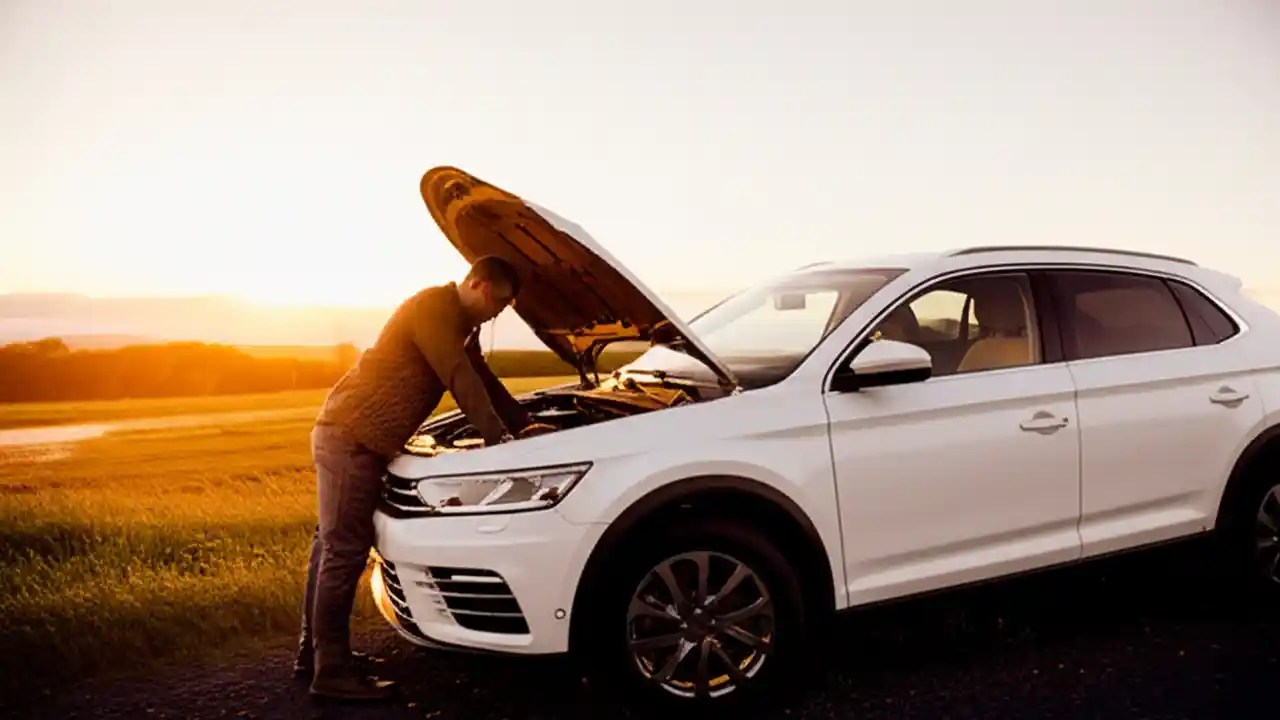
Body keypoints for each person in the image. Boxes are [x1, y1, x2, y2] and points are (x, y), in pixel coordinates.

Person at [294, 255, 552, 700]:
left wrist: (523, 425)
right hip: (350, 438)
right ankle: (330, 673)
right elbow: (457, 375)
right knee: (343, 551)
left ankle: (316, 658)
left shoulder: (458, 324)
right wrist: (497, 440)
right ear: (480, 285)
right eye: (501, 303)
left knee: (331, 546)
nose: (499, 314)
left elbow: (482, 379)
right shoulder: (432, 308)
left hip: (358, 441)